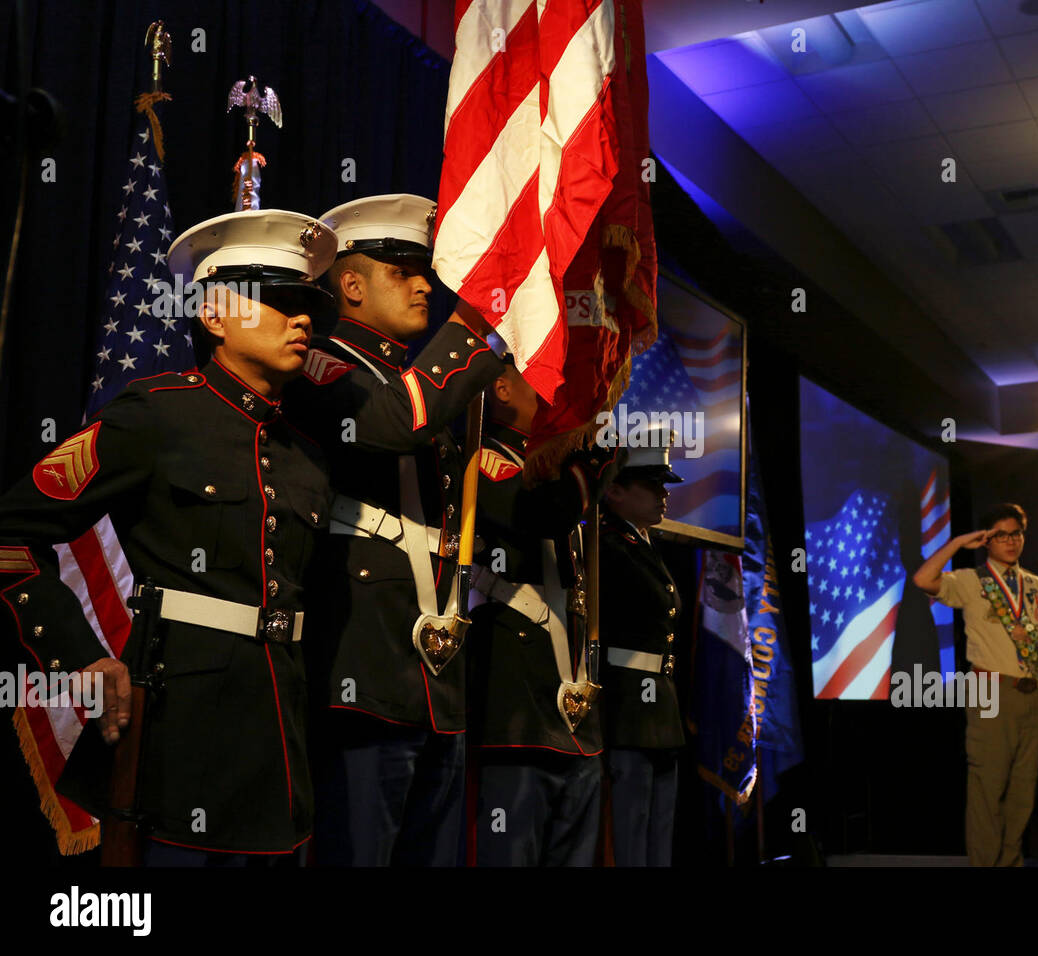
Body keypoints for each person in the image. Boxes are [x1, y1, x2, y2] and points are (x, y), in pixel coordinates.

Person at [0, 208, 503, 865]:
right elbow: (13, 534)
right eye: (274, 301)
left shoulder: (305, 449)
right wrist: (81, 657)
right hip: (182, 732)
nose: (300, 319)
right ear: (212, 315)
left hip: (283, 739)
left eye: (306, 304)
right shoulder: (157, 415)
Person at [303, 194, 501, 866]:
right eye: (402, 272)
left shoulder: (414, 380)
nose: (425, 285)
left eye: (427, 271)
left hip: (433, 677)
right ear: (351, 285)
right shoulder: (321, 362)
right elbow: (395, 422)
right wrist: (482, 319)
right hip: (365, 673)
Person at [466, 367, 618, 866]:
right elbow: (536, 514)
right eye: (542, 383)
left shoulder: (549, 469)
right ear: (502, 388)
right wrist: (586, 466)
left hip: (571, 706)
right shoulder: (485, 458)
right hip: (517, 704)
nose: (557, 396)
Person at [911, 502, 1038, 867]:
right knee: (988, 789)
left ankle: (1010, 863)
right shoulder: (970, 580)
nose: (1010, 542)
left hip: (1030, 694)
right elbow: (922, 580)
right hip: (988, 690)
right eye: (1000, 535)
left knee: (1022, 792)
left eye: (1016, 534)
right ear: (987, 540)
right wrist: (958, 543)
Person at [598, 429, 685, 866]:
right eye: (651, 485)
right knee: (630, 835)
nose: (662, 494)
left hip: (658, 711)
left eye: (664, 485)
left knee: (658, 838)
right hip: (627, 707)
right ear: (614, 491)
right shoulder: (607, 544)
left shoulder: (644, 545)